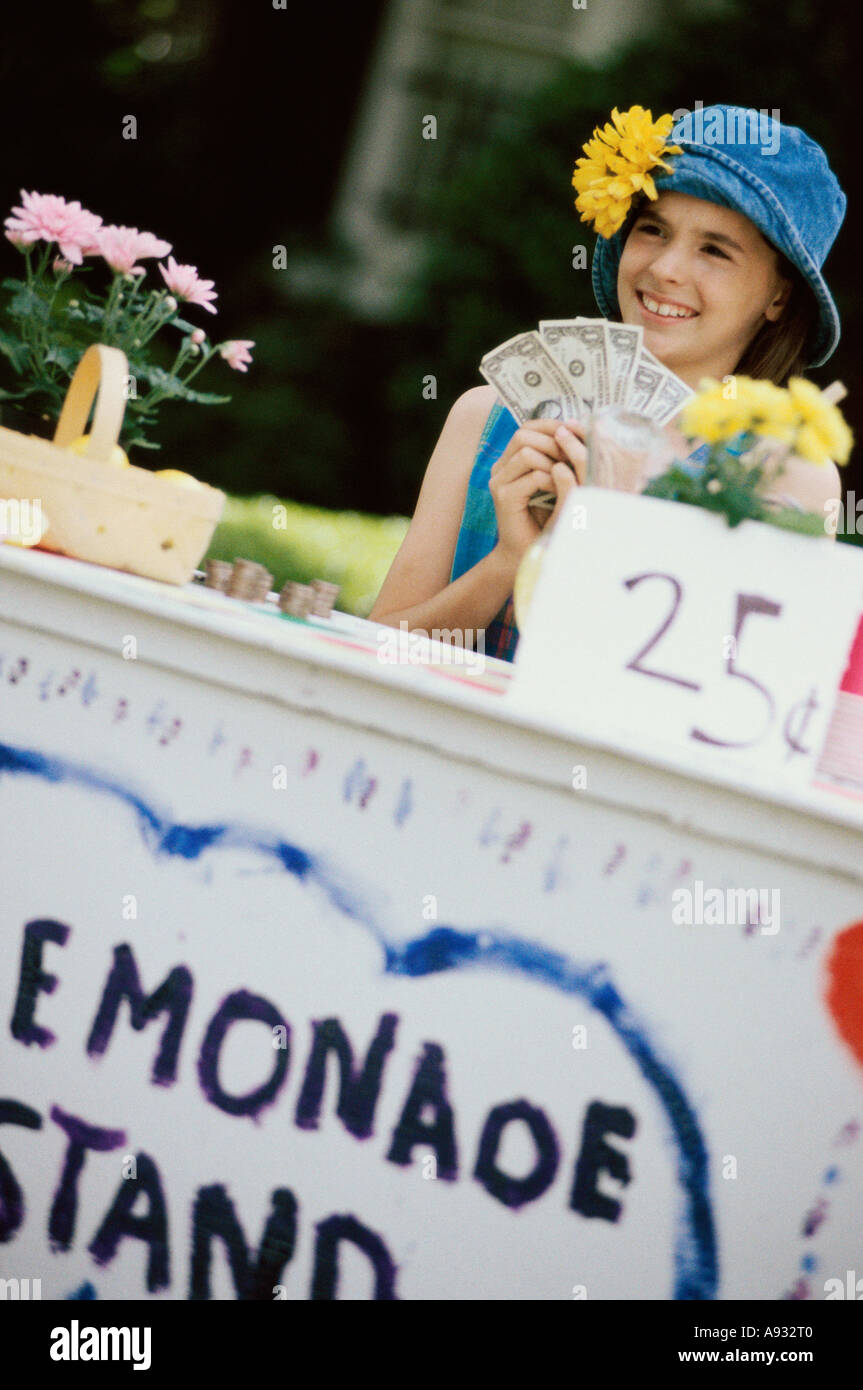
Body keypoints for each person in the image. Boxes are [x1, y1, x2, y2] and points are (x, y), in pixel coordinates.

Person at [369, 105, 847, 660]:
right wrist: (509, 561)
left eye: (715, 250)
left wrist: (602, 551)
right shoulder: (487, 418)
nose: (666, 268)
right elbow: (380, 654)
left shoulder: (782, 474)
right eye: (653, 230)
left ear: (779, 297)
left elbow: (738, 714)